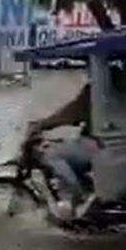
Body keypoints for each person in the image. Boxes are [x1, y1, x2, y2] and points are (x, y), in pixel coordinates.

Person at [26, 83, 100, 220]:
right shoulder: (119, 88)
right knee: (66, 148)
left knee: (53, 155)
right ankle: (85, 191)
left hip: (97, 144)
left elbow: (71, 113)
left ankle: (75, 196)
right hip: (111, 143)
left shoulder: (96, 89)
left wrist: (42, 124)